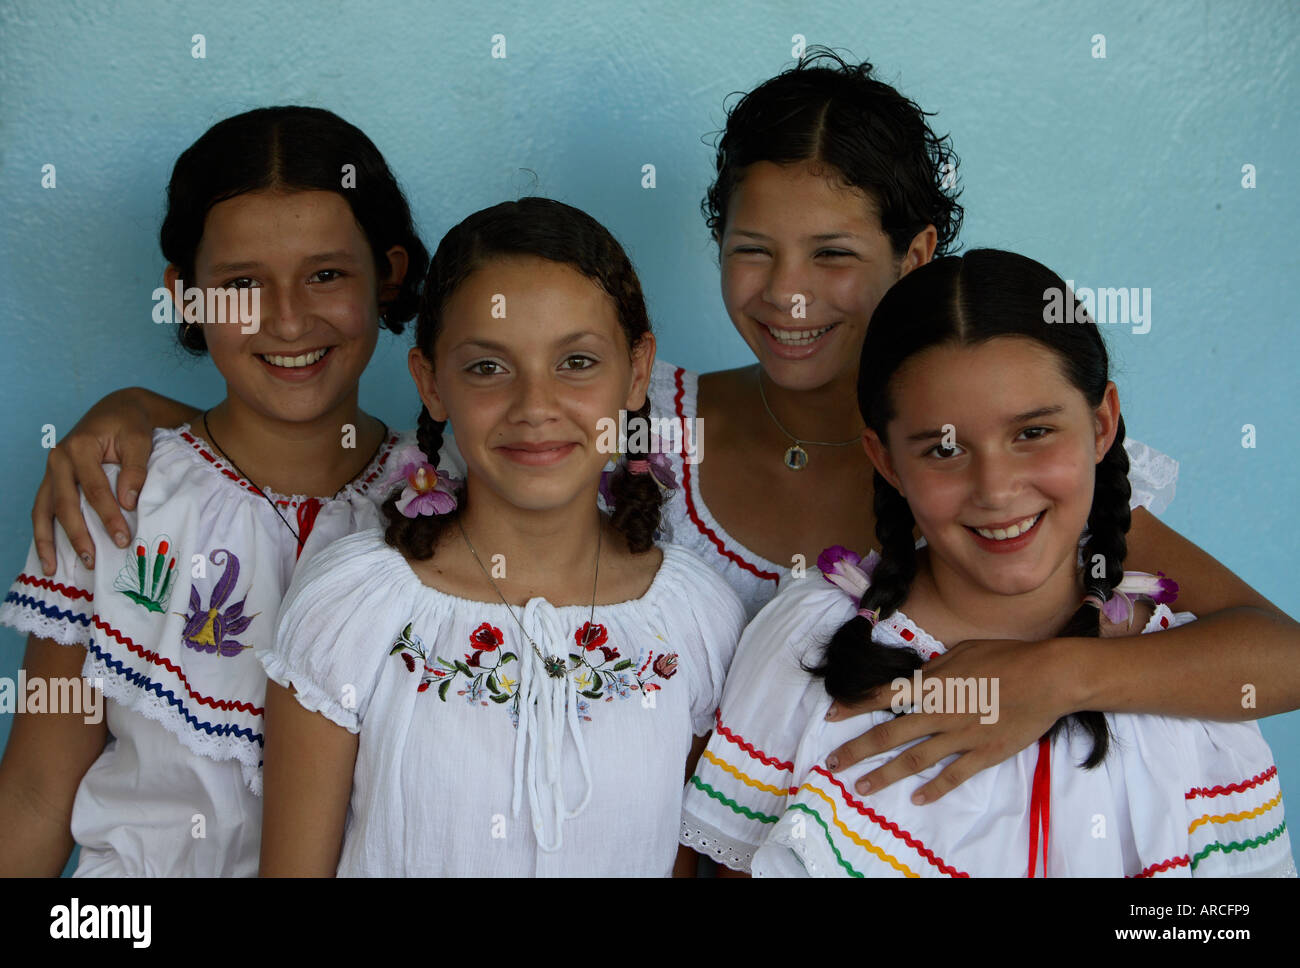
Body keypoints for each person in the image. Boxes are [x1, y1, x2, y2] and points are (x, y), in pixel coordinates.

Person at [25, 50, 1300, 805]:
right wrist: (144, 411)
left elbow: (1275, 655)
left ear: (916, 256)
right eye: (752, 250)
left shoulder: (973, 474)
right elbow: (396, 439)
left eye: (835, 254)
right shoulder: (642, 421)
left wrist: (1063, 676)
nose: (789, 296)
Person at [681, 249, 1294, 877]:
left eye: (1033, 433)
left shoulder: (1192, 691)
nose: (996, 490)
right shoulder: (809, 647)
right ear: (886, 460)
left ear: (1102, 423)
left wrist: (1055, 676)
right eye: (944, 450)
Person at [0, 106, 430, 875]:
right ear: (187, 295)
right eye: (241, 284)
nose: (288, 321)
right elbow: (35, 793)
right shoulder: (115, 500)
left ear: (388, 274)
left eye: (326, 274)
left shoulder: (443, 505)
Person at [258, 198, 744, 876]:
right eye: (488, 367)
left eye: (576, 361)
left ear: (637, 373)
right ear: (431, 383)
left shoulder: (693, 619)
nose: (535, 406)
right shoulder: (355, 608)